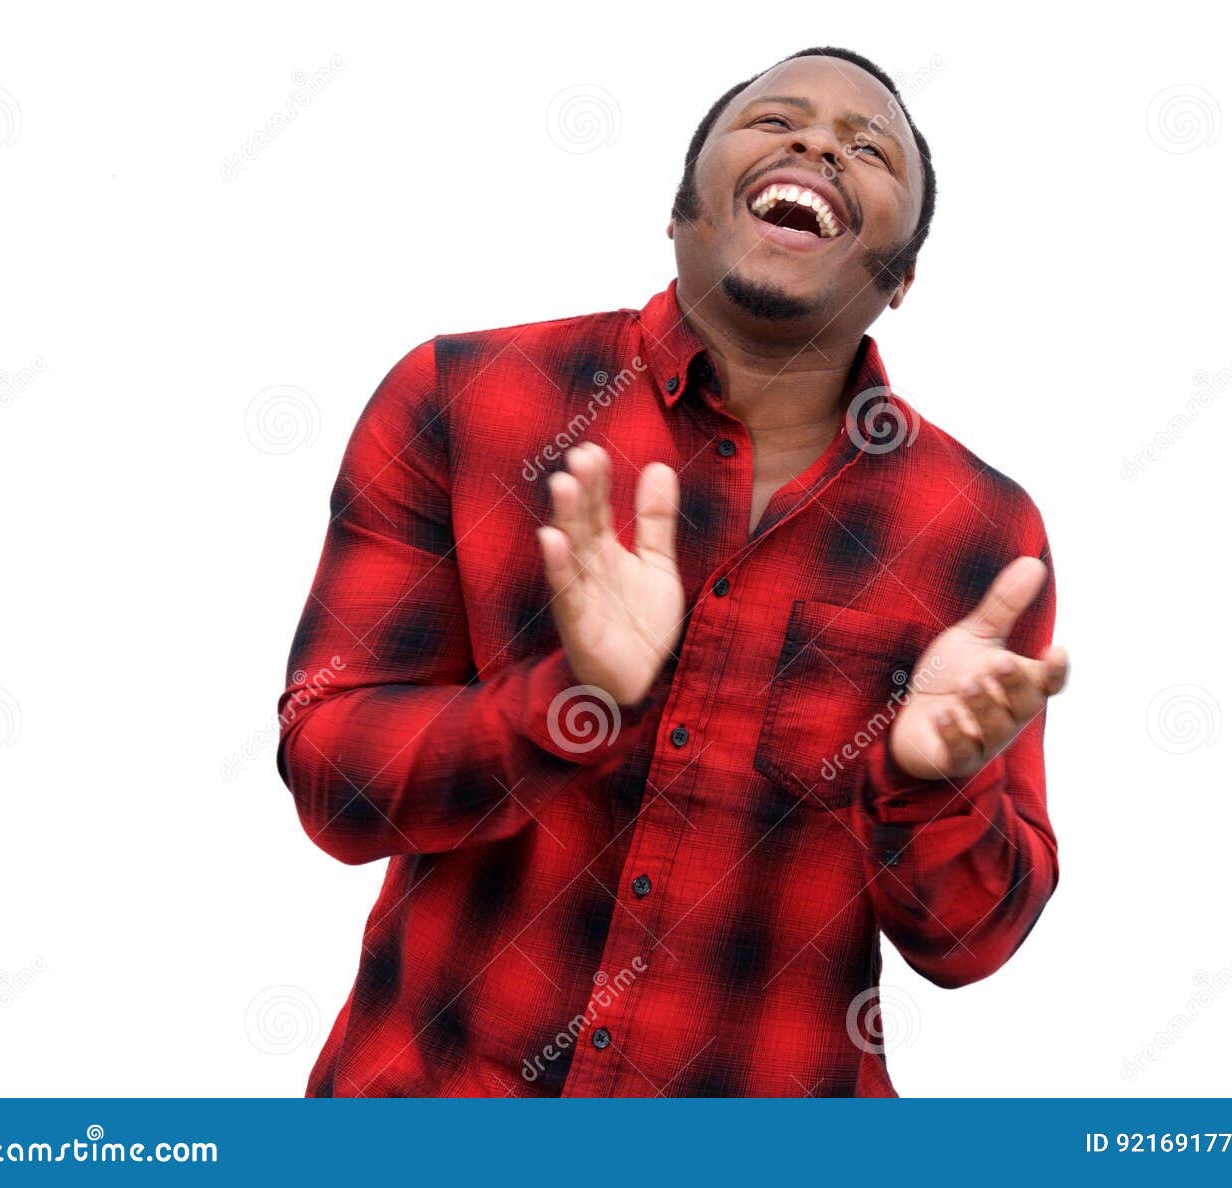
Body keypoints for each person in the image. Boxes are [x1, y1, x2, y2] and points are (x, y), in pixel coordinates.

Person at [276, 45, 1071, 1098]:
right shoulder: (464, 397)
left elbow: (973, 942)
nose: (818, 144)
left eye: (870, 149)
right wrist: (572, 698)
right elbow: (333, 780)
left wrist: (924, 786)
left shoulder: (981, 530)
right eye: (775, 120)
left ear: (900, 279)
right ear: (679, 210)